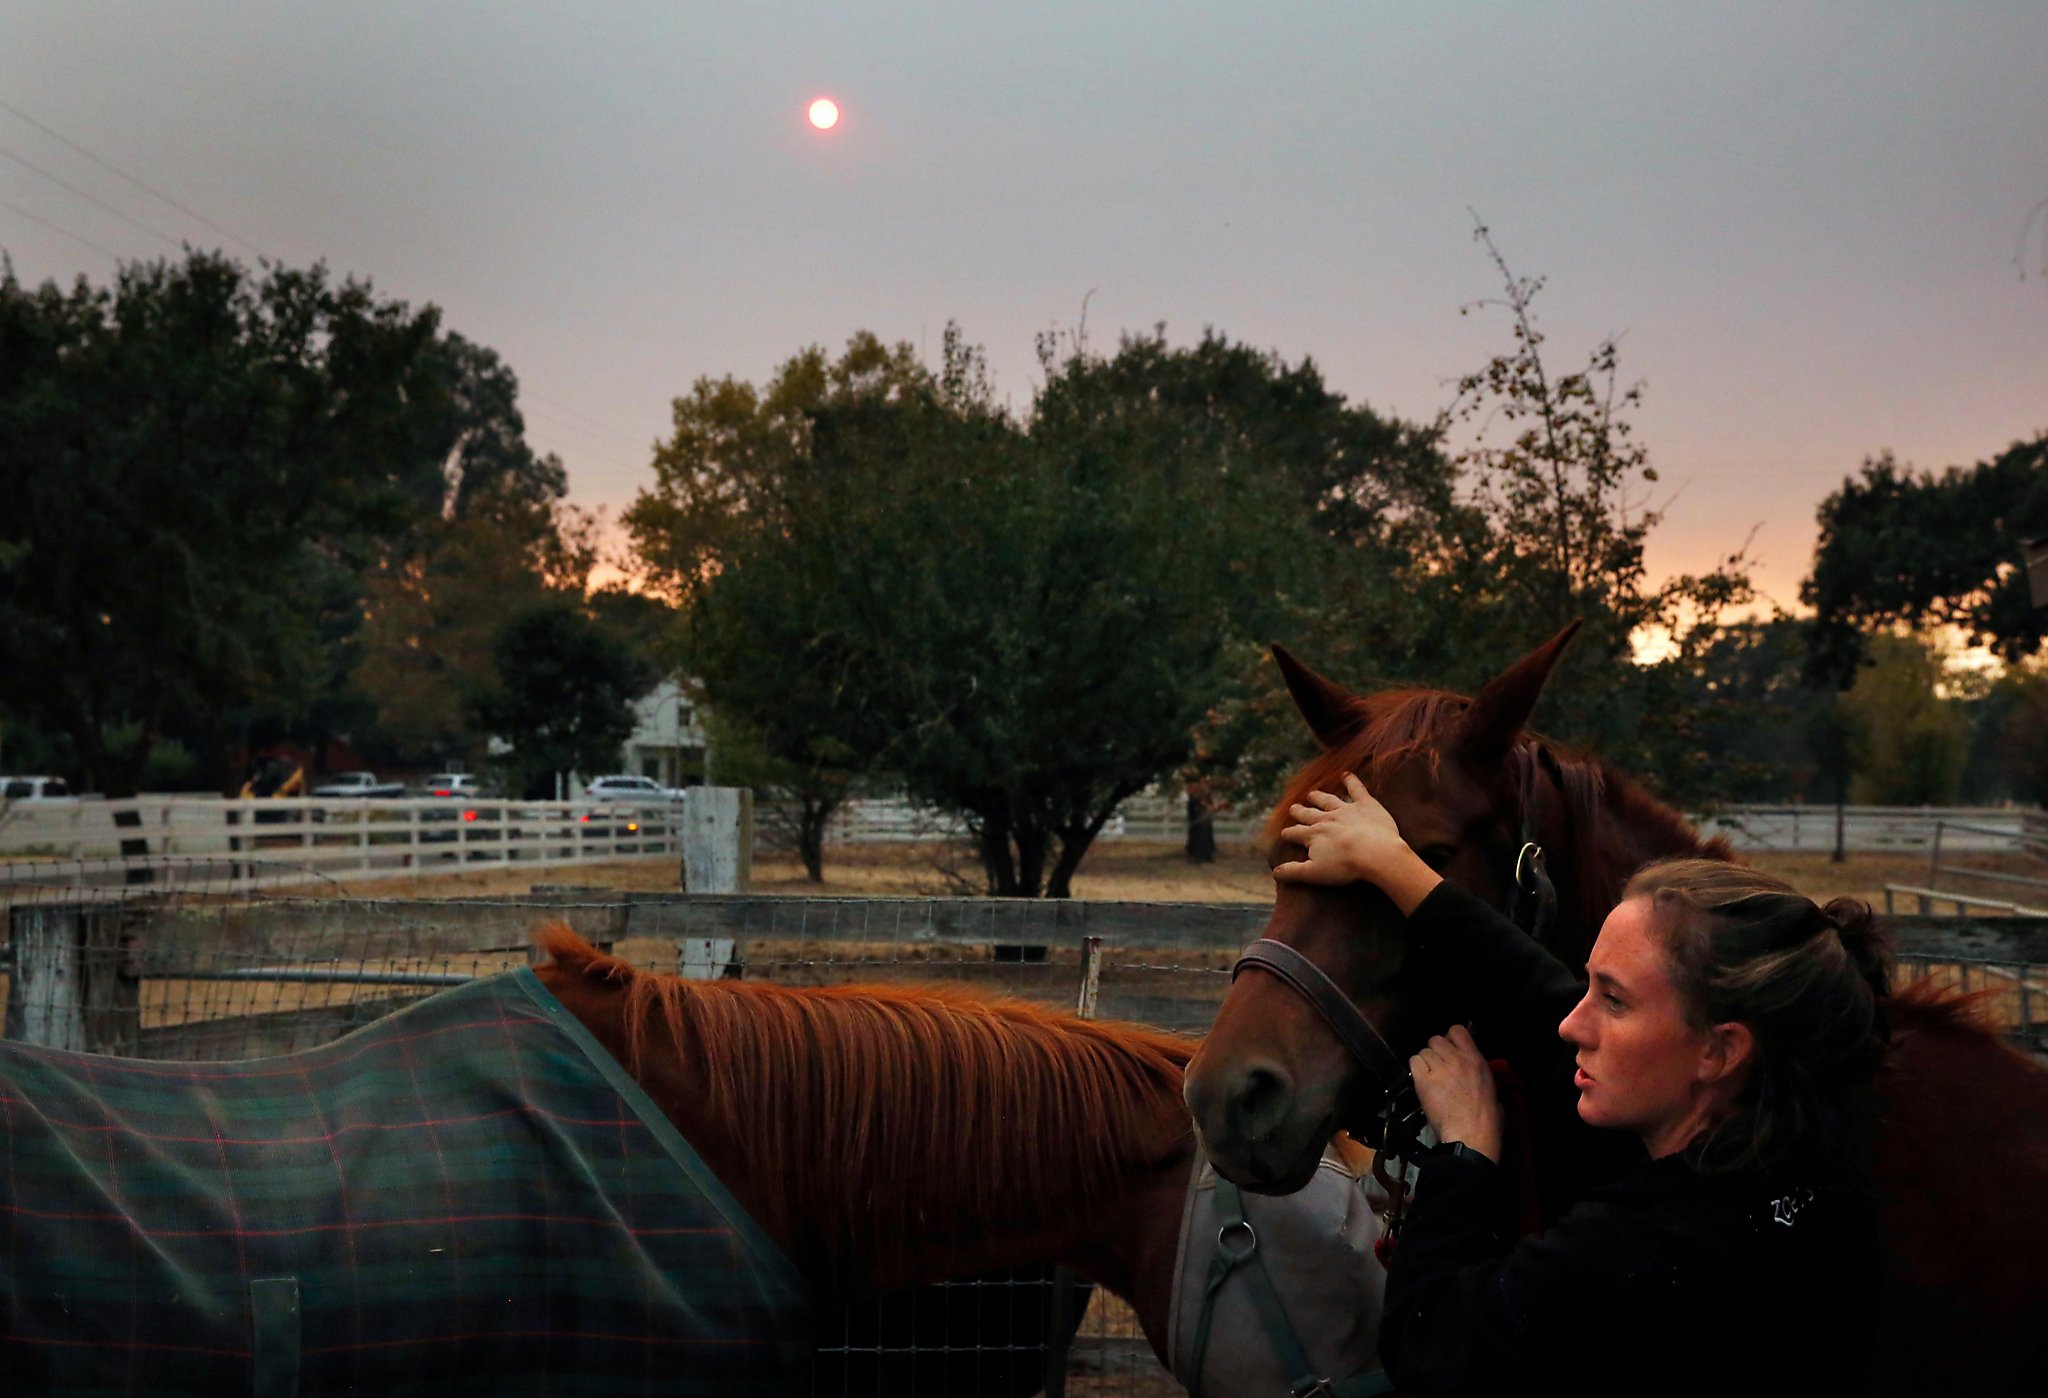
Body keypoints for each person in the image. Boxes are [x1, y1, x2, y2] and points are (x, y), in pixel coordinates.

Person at [1275, 774, 1887, 1397]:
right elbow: (1537, 996)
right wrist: (1395, 866)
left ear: (1720, 1050)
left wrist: (1462, 1155)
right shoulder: (1823, 1170)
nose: (1572, 1023)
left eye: (1612, 1000)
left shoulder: (1623, 1258)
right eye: (1588, 985)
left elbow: (1430, 1343)